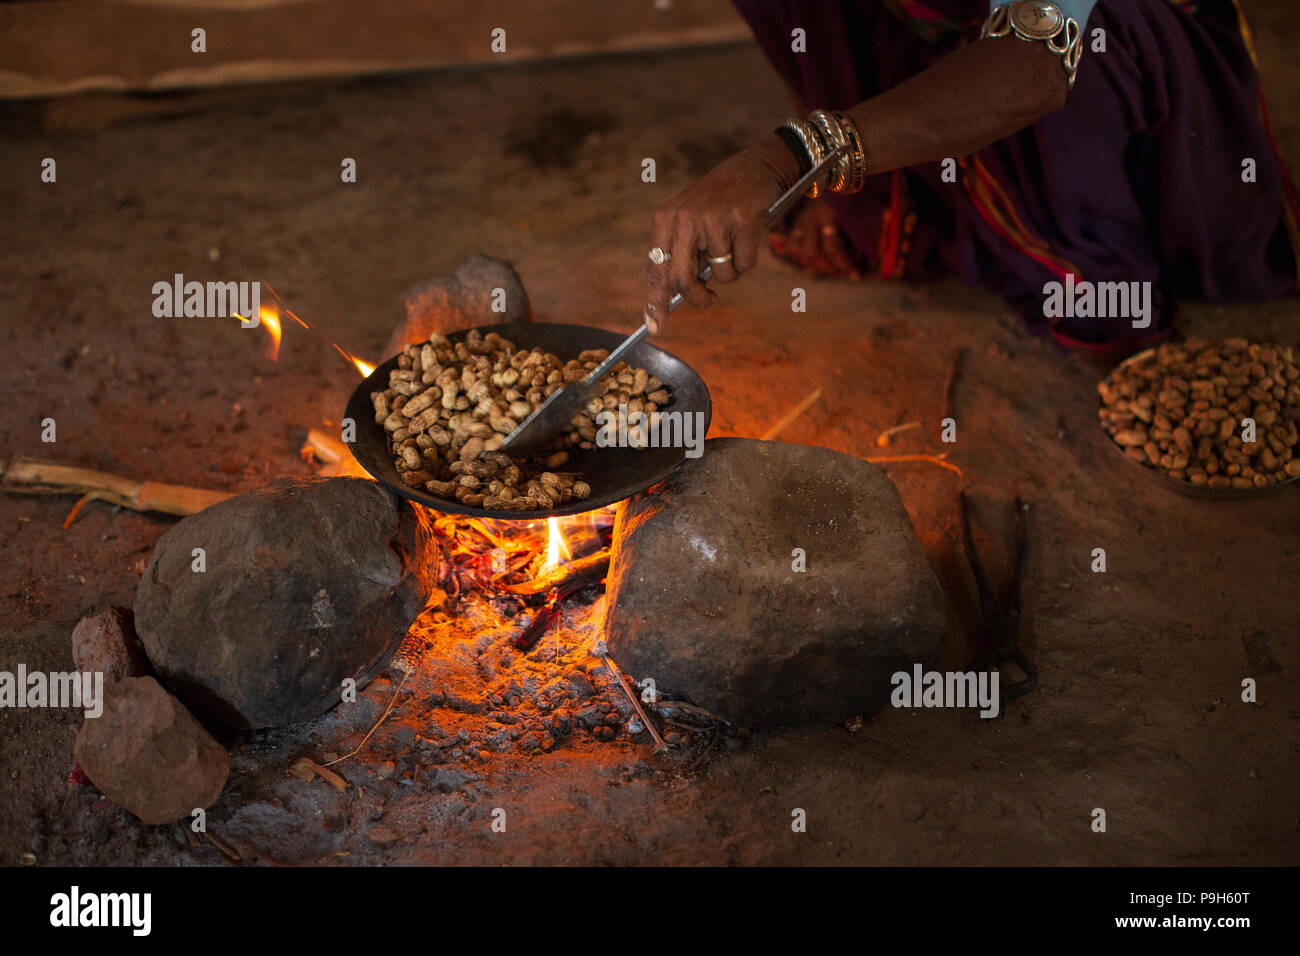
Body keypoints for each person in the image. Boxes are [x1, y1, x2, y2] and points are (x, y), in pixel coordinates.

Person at [643, 0, 1299, 354]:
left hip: (1089, 53)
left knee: (1095, 41)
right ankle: (893, 178)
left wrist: (787, 157)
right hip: (951, 28)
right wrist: (818, 179)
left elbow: (1036, 62)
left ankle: (1099, 269)